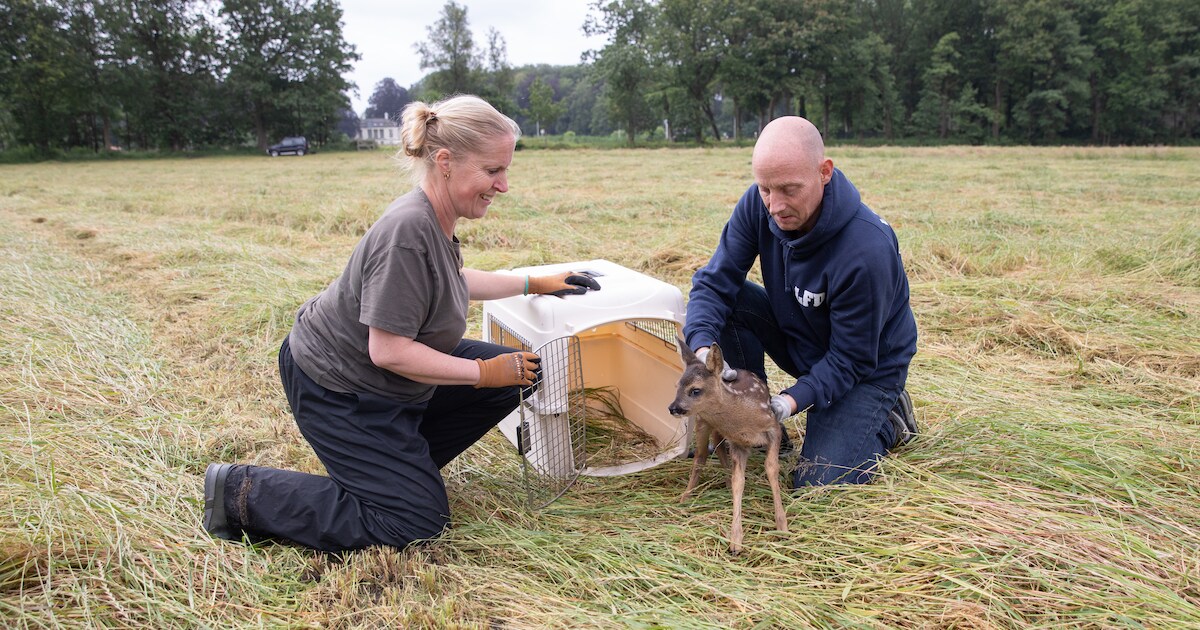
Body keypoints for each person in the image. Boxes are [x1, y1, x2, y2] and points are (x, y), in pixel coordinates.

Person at [202, 95, 600, 552]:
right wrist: (481, 373)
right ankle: (238, 491)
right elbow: (388, 350)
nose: (504, 185)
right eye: (493, 171)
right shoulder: (408, 232)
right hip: (341, 387)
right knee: (414, 522)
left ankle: (395, 471)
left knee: (519, 372)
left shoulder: (435, 218)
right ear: (446, 162)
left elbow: (449, 280)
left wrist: (534, 281)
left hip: (388, 384)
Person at [683, 116, 918, 487]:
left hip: (864, 370)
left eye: (789, 189)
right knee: (728, 304)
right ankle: (754, 428)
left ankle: (889, 419)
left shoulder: (866, 250)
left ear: (824, 172)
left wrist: (787, 403)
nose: (775, 205)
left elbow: (852, 358)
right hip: (799, 334)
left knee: (817, 483)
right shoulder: (758, 205)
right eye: (765, 189)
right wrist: (701, 356)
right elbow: (713, 284)